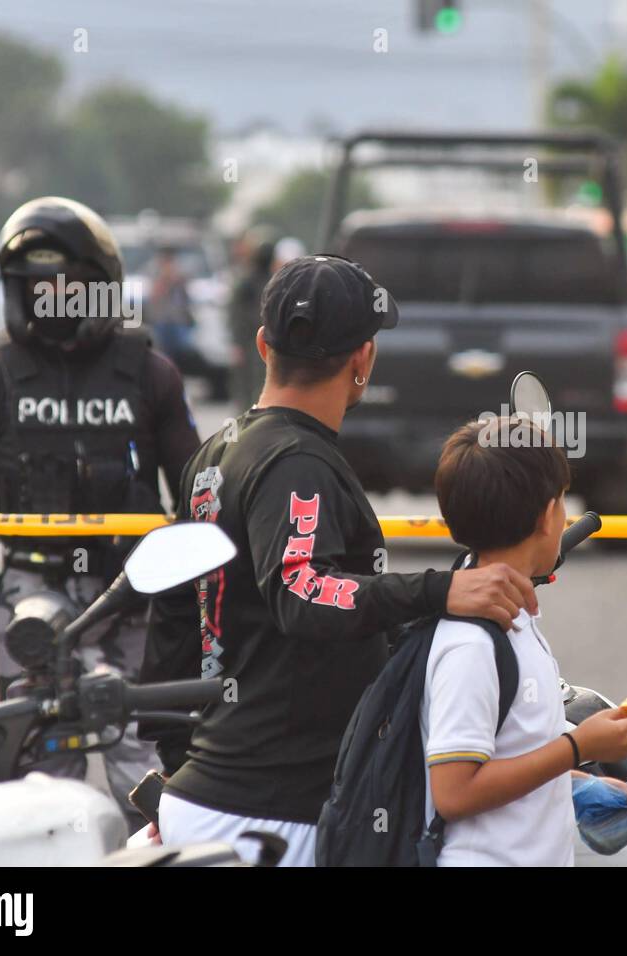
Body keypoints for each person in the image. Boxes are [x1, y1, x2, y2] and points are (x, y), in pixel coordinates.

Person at [143, 254, 541, 866]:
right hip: (274, 815)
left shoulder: (217, 452)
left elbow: (171, 610)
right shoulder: (298, 464)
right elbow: (302, 592)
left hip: (207, 797)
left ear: (261, 345)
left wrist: (179, 770)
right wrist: (439, 592)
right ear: (363, 359)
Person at [0, 197, 201, 829]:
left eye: (67, 287)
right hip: (31, 612)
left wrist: (213, 622)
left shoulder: (151, 376)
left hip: (135, 602)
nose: (51, 300)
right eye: (35, 288)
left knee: (156, 792)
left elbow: (201, 499)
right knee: (33, 801)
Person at [424, 418, 627, 865]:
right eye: (564, 501)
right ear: (548, 517)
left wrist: (575, 782)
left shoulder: (511, 617)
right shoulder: (472, 645)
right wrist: (580, 748)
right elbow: (453, 791)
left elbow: (512, 749)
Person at [227, 228, 276, 411]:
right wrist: (236, 344)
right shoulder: (247, 282)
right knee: (245, 389)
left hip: (263, 341)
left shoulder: (272, 281)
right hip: (248, 341)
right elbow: (235, 314)